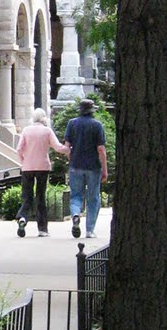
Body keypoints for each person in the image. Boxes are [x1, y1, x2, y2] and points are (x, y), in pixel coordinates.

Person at [15, 108, 66, 237]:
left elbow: (19, 149)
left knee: (27, 196)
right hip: (43, 166)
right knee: (40, 197)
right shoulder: (47, 131)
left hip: (27, 167)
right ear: (44, 118)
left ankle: (22, 217)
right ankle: (42, 229)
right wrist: (69, 149)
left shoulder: (26, 130)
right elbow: (57, 147)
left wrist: (23, 162)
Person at [65, 98, 108, 239]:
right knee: (93, 198)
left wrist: (71, 159)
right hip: (93, 166)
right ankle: (90, 230)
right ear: (92, 111)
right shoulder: (97, 125)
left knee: (76, 195)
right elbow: (101, 149)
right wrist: (105, 169)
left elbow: (67, 147)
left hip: (75, 165)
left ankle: (75, 214)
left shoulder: (72, 123)